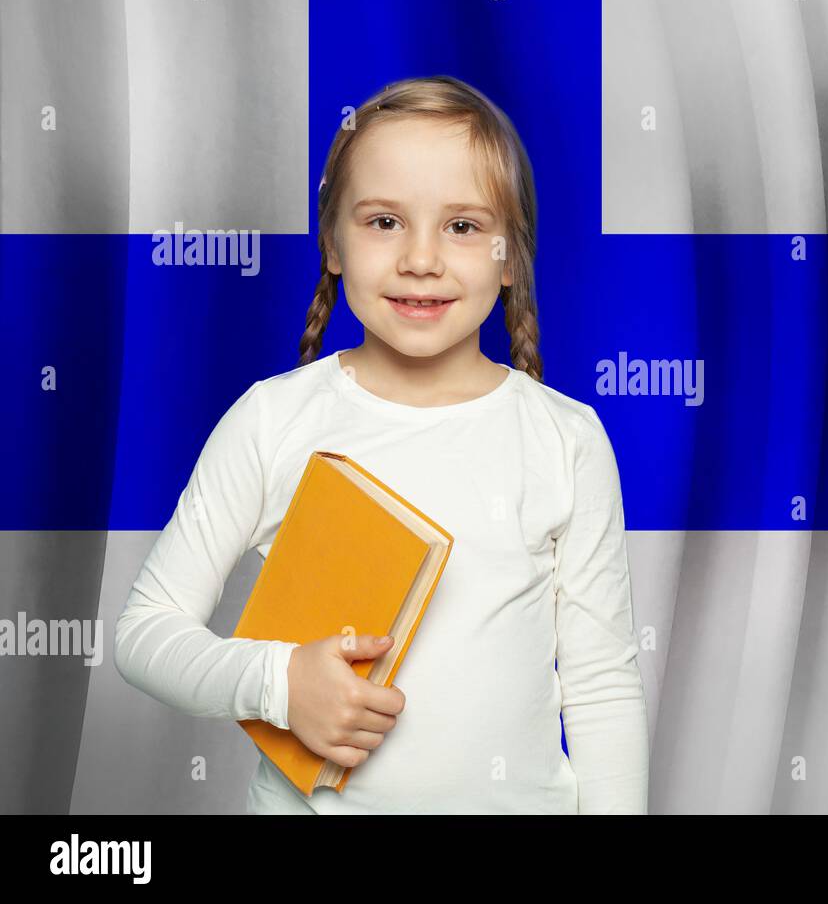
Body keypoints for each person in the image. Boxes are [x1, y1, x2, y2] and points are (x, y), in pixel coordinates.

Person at [113, 76, 649, 814]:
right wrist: (280, 684)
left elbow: (601, 687)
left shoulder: (566, 440)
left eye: (462, 226)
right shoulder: (274, 422)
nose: (421, 258)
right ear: (333, 242)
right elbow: (146, 634)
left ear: (508, 256)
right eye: (384, 221)